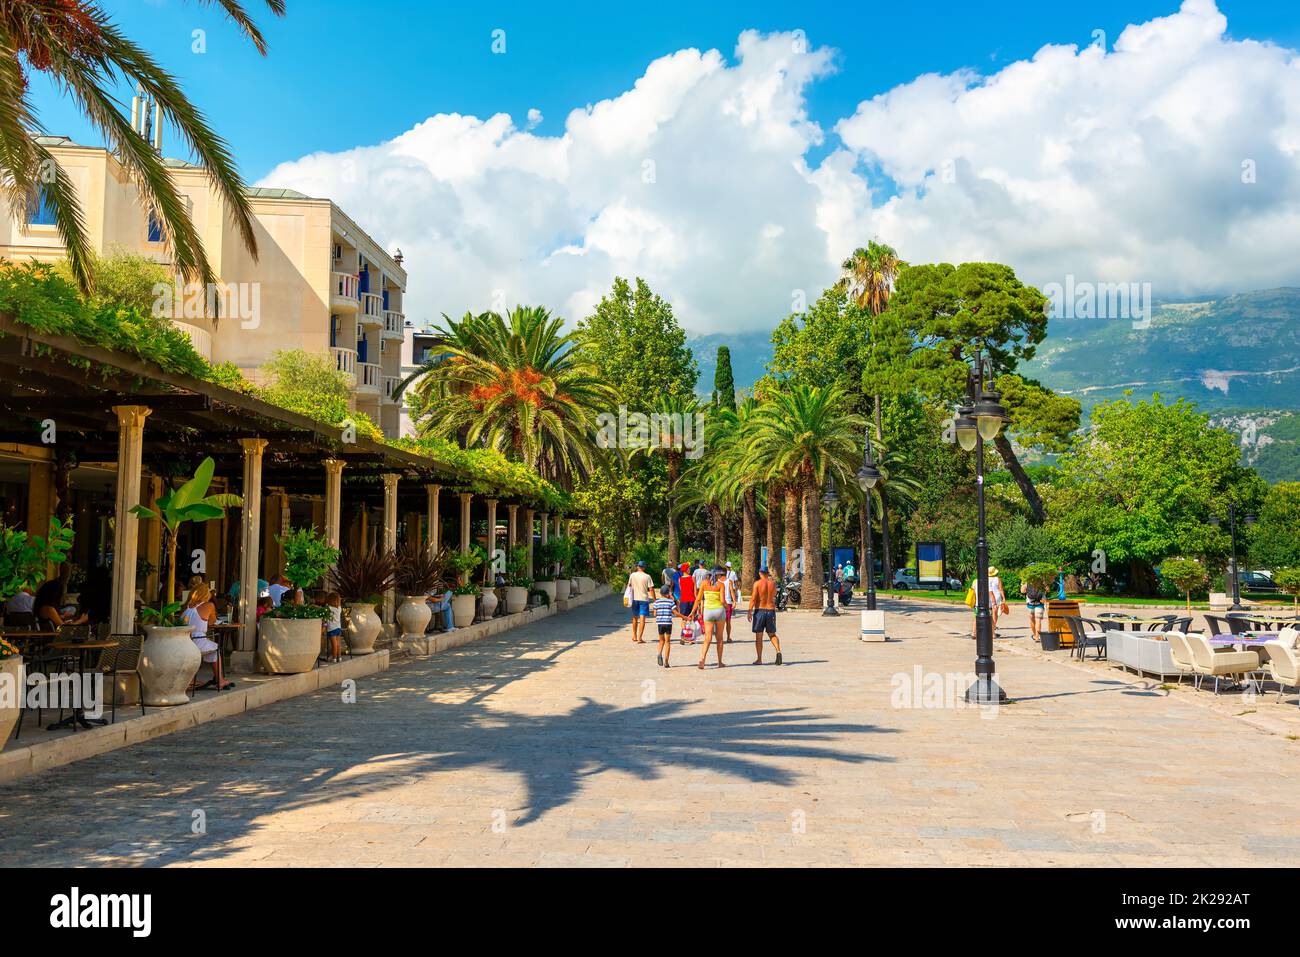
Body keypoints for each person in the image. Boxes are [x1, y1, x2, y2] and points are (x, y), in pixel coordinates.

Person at [184, 583, 234, 691]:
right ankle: (220, 680)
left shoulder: (186, 606)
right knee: (216, 648)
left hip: (185, 641)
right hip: (197, 640)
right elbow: (213, 622)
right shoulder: (209, 605)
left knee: (210, 646)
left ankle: (192, 680)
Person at [692, 567, 728, 669]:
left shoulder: (704, 584)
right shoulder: (721, 585)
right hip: (719, 611)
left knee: (707, 638)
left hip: (708, 612)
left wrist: (692, 612)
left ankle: (702, 659)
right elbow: (722, 601)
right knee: (719, 638)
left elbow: (698, 599)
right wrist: (727, 607)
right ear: (717, 575)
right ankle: (720, 662)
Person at [747, 566, 783, 665]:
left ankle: (759, 659)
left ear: (760, 573)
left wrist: (749, 611)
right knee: (772, 634)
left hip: (760, 611)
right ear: (767, 573)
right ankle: (778, 651)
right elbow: (774, 595)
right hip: (770, 610)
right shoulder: (773, 584)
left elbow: (753, 598)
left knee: (759, 635)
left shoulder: (757, 584)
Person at [651, 584, 680, 668]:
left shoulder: (657, 602)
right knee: (667, 642)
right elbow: (675, 612)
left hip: (660, 623)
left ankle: (659, 653)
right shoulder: (670, 602)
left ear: (660, 593)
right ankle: (666, 662)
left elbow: (655, 614)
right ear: (668, 594)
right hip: (668, 623)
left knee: (661, 641)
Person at [628, 560, 654, 644]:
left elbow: (630, 586)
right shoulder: (647, 576)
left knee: (635, 617)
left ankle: (634, 636)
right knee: (642, 618)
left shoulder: (632, 575)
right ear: (644, 567)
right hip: (644, 599)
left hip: (635, 599)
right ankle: (640, 638)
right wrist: (655, 599)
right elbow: (651, 589)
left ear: (637, 567)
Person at [676, 561, 696, 643]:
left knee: (684, 619)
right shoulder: (692, 578)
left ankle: (683, 636)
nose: (689, 569)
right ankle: (691, 638)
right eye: (688, 568)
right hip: (691, 599)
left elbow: (681, 590)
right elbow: (695, 591)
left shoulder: (680, 579)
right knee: (692, 618)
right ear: (686, 569)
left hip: (683, 600)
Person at [323, 591, 344, 662]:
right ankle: (339, 657)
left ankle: (334, 658)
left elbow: (325, 617)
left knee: (334, 645)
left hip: (332, 629)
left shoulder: (328, 608)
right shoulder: (339, 608)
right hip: (338, 628)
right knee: (338, 644)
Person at [722, 562, 738, 643]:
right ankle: (728, 637)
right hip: (728, 602)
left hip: (720, 603)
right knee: (728, 622)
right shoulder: (729, 581)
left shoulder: (717, 581)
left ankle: (720, 638)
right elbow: (732, 591)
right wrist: (734, 601)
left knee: (720, 622)